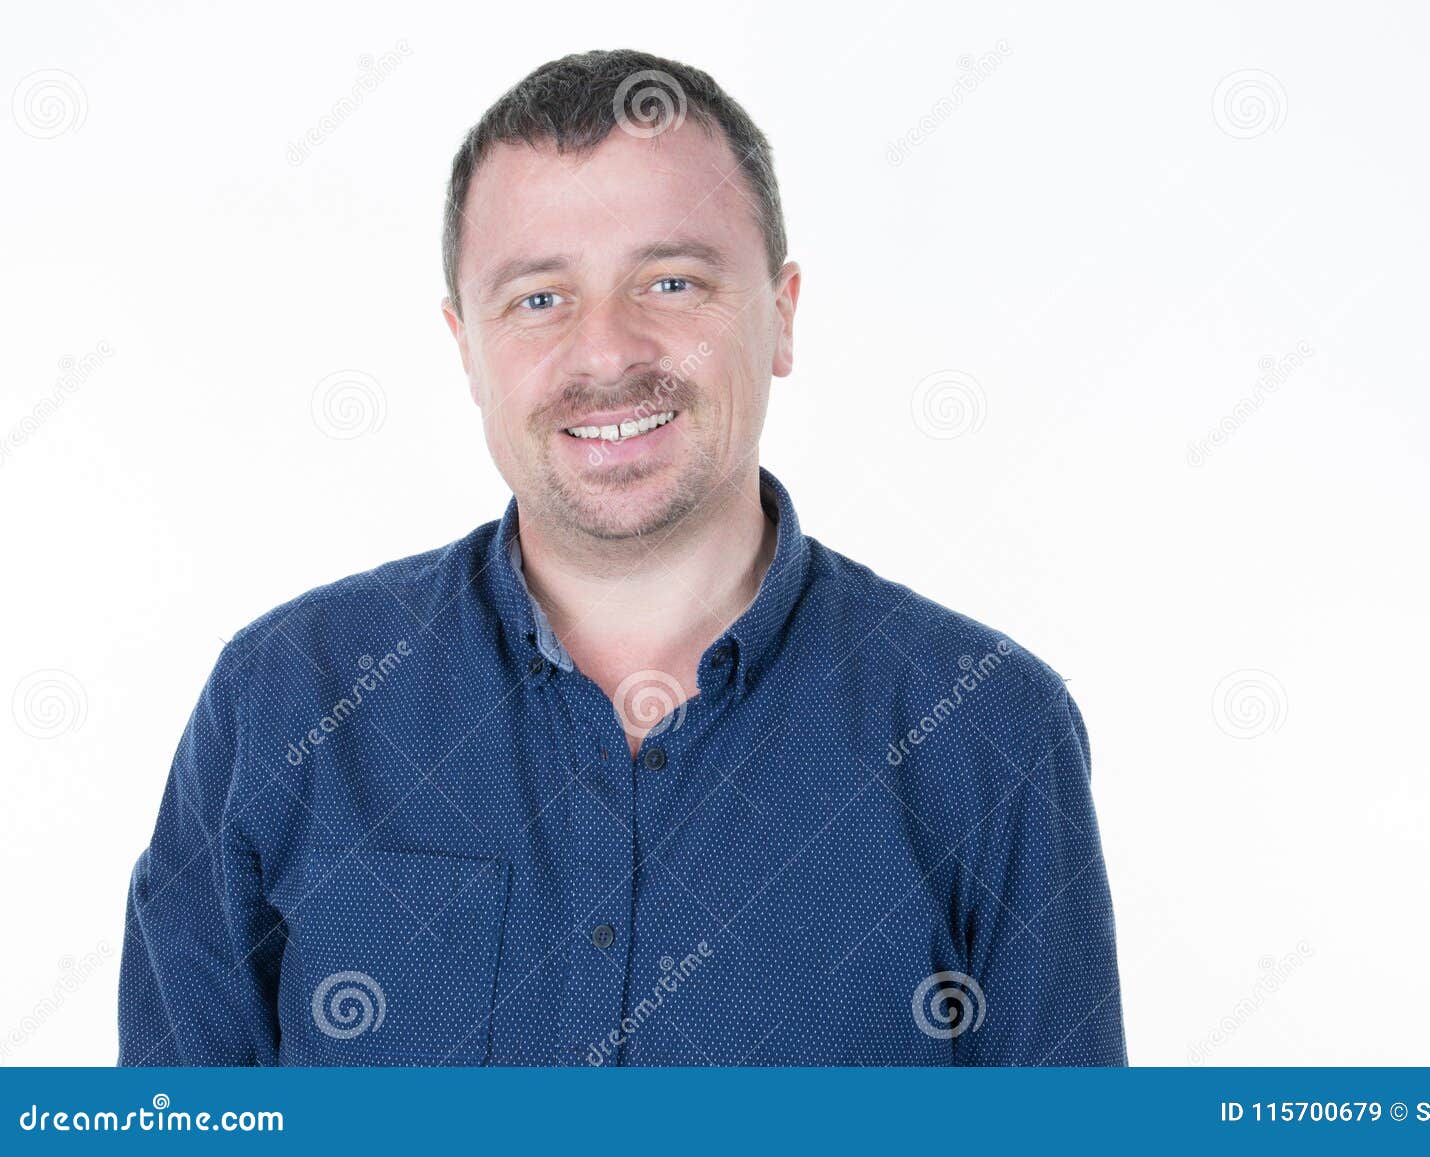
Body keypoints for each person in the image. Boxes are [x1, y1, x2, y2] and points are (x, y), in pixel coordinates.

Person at [118, 48, 1126, 1066]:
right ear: (464, 344)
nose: (607, 353)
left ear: (780, 314)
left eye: (671, 280)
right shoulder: (282, 701)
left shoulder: (989, 730)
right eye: (540, 299)